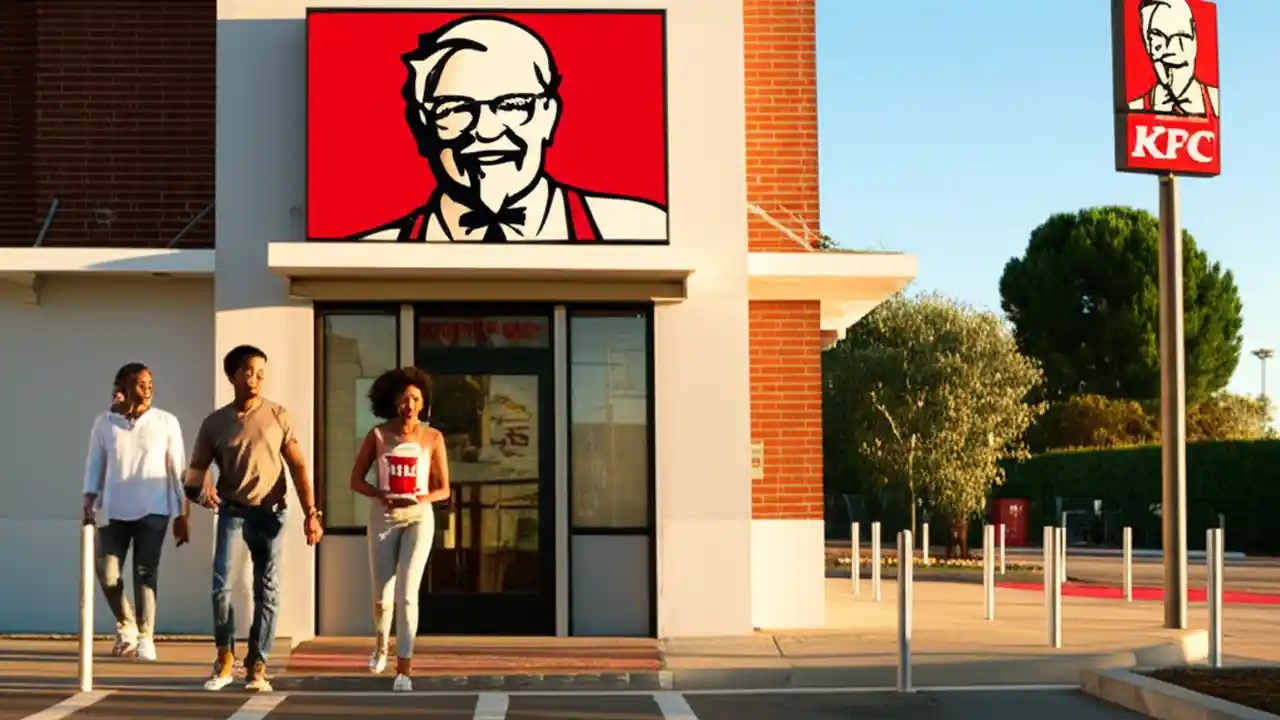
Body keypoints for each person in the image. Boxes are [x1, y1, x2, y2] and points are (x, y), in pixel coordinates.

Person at [351, 15, 667, 242]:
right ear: (423, 127)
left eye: (514, 104)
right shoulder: (376, 250)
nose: (486, 131)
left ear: (549, 115)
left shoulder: (637, 230)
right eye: (457, 108)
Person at [184, 345, 323, 692]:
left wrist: (312, 513)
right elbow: (192, 478)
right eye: (248, 371)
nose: (256, 378)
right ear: (232, 376)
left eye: (261, 371)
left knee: (268, 588)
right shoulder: (215, 423)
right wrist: (203, 490)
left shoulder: (278, 415)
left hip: (271, 513)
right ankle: (224, 657)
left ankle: (257, 664)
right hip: (233, 510)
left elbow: (298, 466)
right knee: (222, 585)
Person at [348, 367, 450, 692]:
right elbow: (355, 480)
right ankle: (381, 646)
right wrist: (380, 494)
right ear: (393, 401)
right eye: (404, 397)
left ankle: (404, 667)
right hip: (384, 516)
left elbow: (444, 489)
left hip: (419, 516)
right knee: (383, 593)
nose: (409, 404)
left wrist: (423, 497)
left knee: (408, 594)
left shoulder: (433, 438)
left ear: (423, 403)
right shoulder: (378, 436)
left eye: (416, 398)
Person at [82, 363, 191, 661]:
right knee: (107, 573)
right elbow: (95, 464)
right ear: (125, 388)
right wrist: (88, 498)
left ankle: (145, 636)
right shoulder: (105, 424)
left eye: (150, 383)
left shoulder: (166, 422)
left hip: (153, 510)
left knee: (146, 572)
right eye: (140, 384)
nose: (148, 389)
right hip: (113, 510)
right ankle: (126, 624)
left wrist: (183, 513)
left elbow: (177, 469)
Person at [1128, 0, 1219, 117]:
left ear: (1194, 36)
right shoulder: (1134, 110)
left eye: (1180, 37)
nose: (1171, 50)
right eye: (1158, 43)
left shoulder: (1215, 101)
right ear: (1147, 44)